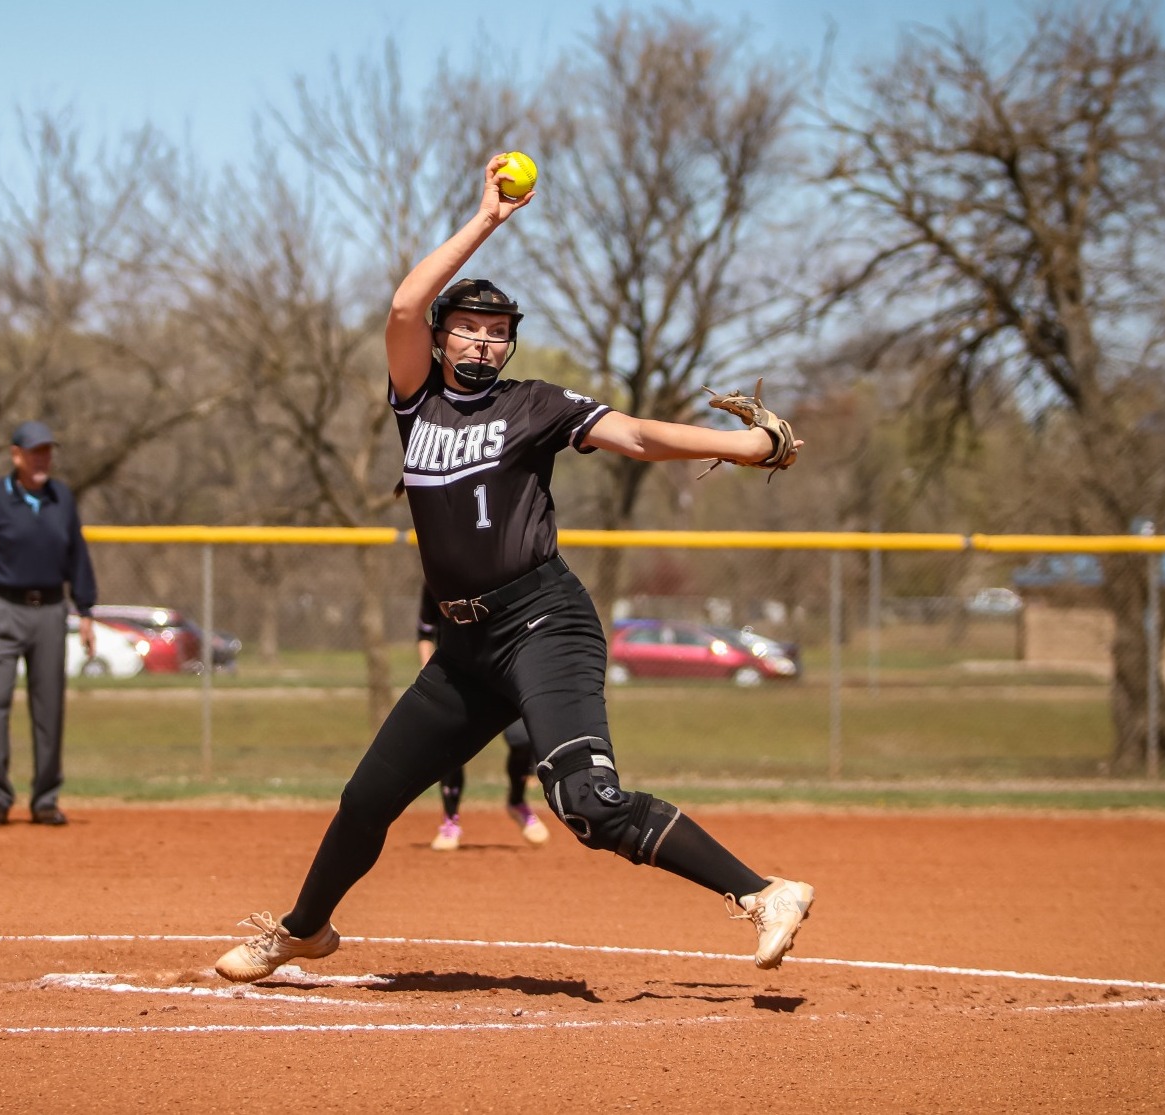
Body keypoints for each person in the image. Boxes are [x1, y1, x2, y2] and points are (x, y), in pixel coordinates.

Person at [213, 155, 813, 984]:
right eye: (467, 326)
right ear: (440, 337)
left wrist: (744, 445)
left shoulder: (532, 404)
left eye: (497, 331)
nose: (483, 340)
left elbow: (637, 436)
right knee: (366, 799)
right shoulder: (416, 402)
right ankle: (302, 930)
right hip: (463, 651)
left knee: (586, 804)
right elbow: (403, 304)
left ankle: (763, 892)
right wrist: (488, 219)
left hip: (542, 625)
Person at [0, 420, 98, 828]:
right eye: (35, 451)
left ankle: (45, 800)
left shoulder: (61, 498)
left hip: (50, 610)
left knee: (49, 707)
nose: (42, 459)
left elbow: (78, 558)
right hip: (2, 609)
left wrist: (86, 612)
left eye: (47, 451)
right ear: (16, 455)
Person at [416, 584, 550, 851]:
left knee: (521, 739)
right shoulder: (438, 578)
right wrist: (429, 675)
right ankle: (450, 821)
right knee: (450, 745)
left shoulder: (502, 576)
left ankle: (517, 801)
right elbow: (425, 632)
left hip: (503, 673)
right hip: (457, 677)